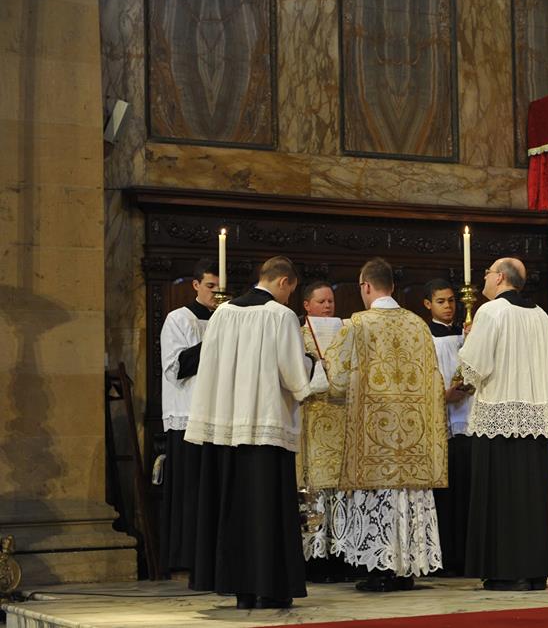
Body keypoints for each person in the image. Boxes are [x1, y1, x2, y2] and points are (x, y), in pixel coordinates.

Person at [185, 256, 329, 609]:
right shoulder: (279, 316)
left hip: (227, 429)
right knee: (268, 510)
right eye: (292, 291)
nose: (289, 298)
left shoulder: (223, 314)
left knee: (233, 507)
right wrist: (315, 365)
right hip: (266, 427)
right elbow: (294, 375)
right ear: (284, 282)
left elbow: (210, 366)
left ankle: (241, 590)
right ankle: (271, 588)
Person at [323, 258, 447, 592]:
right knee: (407, 497)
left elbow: (335, 378)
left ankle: (381, 568)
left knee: (378, 497)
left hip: (372, 434)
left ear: (365, 286)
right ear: (392, 286)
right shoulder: (418, 325)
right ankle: (407, 567)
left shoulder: (357, 324)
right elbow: (434, 378)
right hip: (414, 433)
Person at [458, 257, 548, 591]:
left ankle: (506, 570)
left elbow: (474, 370)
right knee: (531, 496)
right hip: (536, 418)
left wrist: (467, 343)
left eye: (487, 273)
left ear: (500, 278)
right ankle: (534, 571)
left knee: (503, 497)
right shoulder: (542, 317)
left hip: (498, 418)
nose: (483, 279)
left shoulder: (491, 312)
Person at [158, 258, 218, 573]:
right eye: (210, 287)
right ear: (195, 285)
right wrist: (216, 335)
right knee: (191, 492)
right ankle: (187, 558)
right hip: (188, 416)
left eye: (220, 289)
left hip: (222, 418)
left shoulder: (229, 319)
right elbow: (176, 368)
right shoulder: (178, 319)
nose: (215, 294)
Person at [297, 280, 353, 582]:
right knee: (314, 490)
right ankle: (315, 559)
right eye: (321, 302)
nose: (328, 306)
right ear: (307, 305)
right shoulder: (298, 334)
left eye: (331, 301)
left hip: (341, 417)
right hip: (312, 420)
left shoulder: (345, 332)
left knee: (340, 490)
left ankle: (341, 555)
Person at [422, 279, 473, 577]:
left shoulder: (467, 335)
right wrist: (442, 396)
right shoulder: (424, 337)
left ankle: (465, 555)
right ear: (428, 304)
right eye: (441, 301)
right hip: (440, 423)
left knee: (466, 491)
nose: (449, 306)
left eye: (452, 300)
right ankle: (443, 557)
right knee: (445, 494)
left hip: (468, 422)